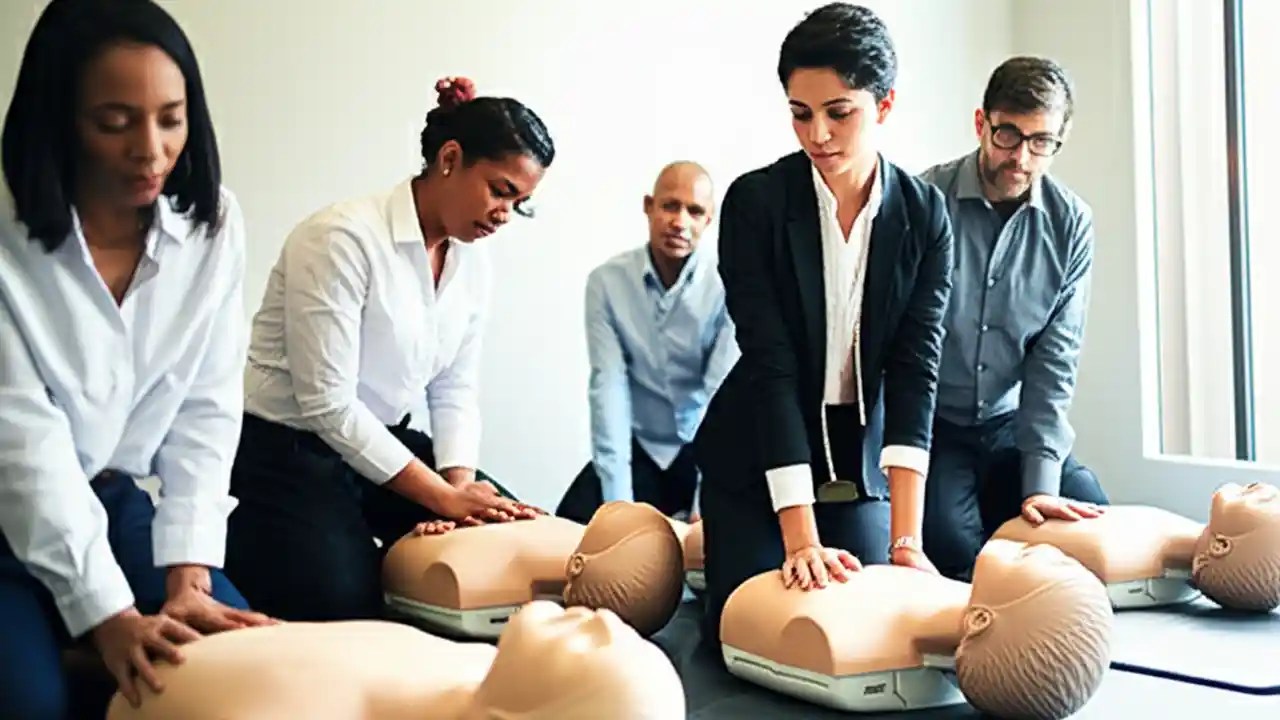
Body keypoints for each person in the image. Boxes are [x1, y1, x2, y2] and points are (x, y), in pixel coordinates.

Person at [0, 1, 273, 717]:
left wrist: (190, 573)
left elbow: (206, 407)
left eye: (171, 118)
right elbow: (21, 446)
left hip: (110, 497)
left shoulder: (213, 226)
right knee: (33, 702)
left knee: (239, 665)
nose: (150, 150)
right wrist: (108, 617)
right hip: (7, 505)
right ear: (59, 119)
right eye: (114, 123)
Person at [223, 76, 554, 623]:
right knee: (346, 601)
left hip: (382, 441)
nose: (503, 214)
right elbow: (326, 404)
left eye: (518, 204)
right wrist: (437, 500)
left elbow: (453, 387)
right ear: (450, 159)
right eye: (499, 190)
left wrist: (457, 486)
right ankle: (253, 538)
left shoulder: (472, 262)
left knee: (506, 541)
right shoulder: (340, 239)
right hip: (288, 451)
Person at [694, 2, 955, 645]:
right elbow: (770, 363)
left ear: (884, 106)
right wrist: (801, 540)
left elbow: (915, 371)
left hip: (851, 457)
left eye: (841, 112)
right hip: (758, 449)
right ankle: (703, 544)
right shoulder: (755, 203)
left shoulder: (925, 216)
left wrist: (906, 540)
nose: (818, 135)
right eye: (801, 113)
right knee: (761, 624)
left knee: (873, 618)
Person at [918, 56, 1108, 581]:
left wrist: (1041, 488)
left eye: (1041, 142)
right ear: (981, 123)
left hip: (1009, 424)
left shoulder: (1072, 225)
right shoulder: (923, 201)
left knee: (1088, 508)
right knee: (954, 550)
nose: (1021, 158)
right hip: (936, 428)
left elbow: (1055, 364)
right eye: (1008, 135)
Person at [555, 161, 738, 525]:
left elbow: (722, 396)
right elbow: (608, 388)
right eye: (670, 206)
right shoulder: (606, 283)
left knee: (725, 546)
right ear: (648, 206)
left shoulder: (730, 287)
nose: (680, 222)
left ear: (709, 220)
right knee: (568, 533)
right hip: (639, 447)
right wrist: (617, 508)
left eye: (695, 211)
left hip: (702, 449)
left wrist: (707, 504)